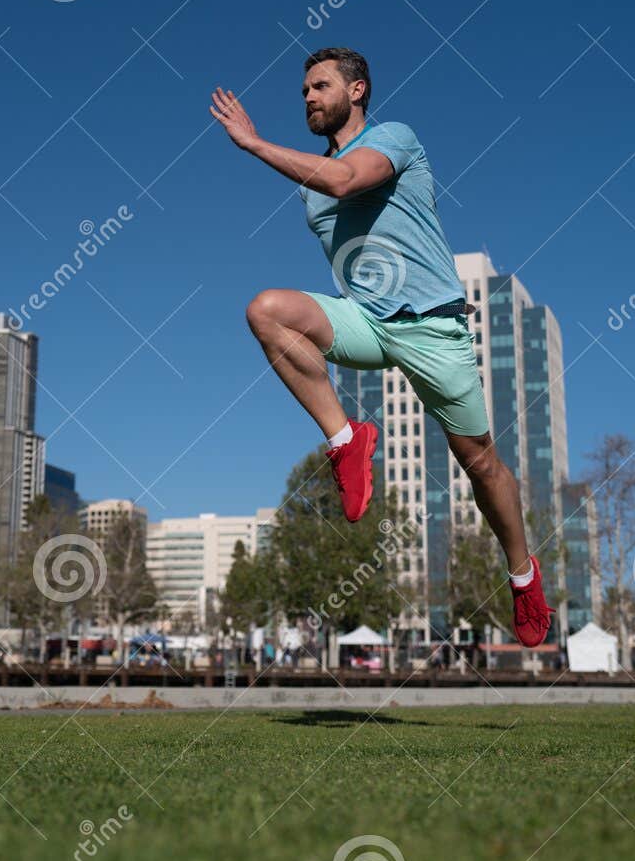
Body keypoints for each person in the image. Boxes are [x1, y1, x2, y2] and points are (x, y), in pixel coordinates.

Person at [209, 47, 551, 648]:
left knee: (480, 463)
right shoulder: (308, 189)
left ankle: (522, 574)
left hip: (431, 328)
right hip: (366, 322)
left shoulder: (396, 137)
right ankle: (347, 441)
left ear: (357, 89)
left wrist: (255, 144)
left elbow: (345, 178)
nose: (308, 98)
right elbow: (338, 222)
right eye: (304, 90)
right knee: (266, 310)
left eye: (319, 86)